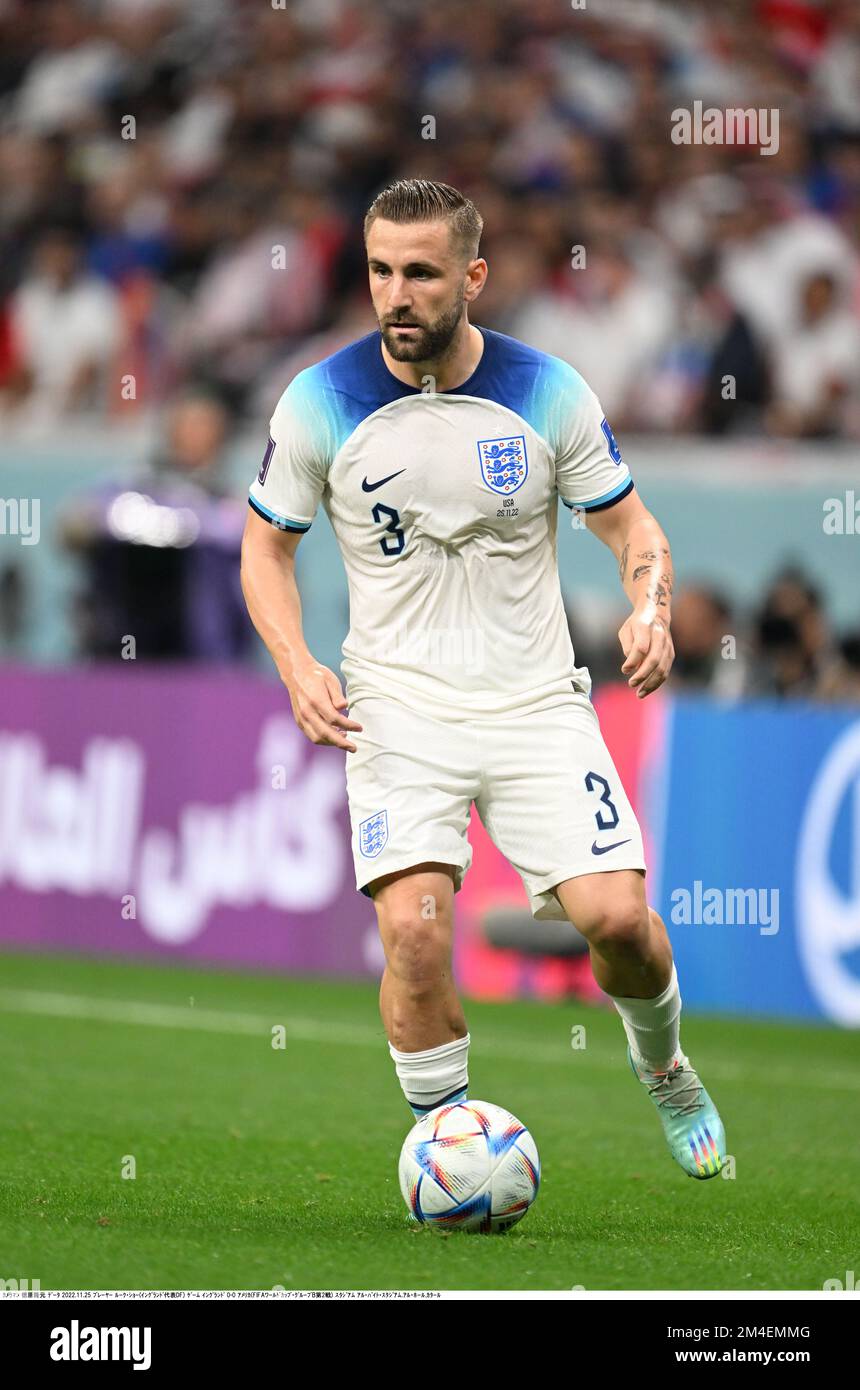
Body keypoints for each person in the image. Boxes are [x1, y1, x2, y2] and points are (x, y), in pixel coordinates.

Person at [240, 179, 726, 1182]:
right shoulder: (319, 400)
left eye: (419, 272)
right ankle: (452, 1149)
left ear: (472, 276)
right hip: (395, 711)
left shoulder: (546, 390)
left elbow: (632, 529)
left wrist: (650, 608)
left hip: (534, 704)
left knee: (618, 925)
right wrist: (295, 662)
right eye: (378, 271)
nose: (395, 294)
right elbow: (264, 548)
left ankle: (664, 1064)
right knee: (414, 940)